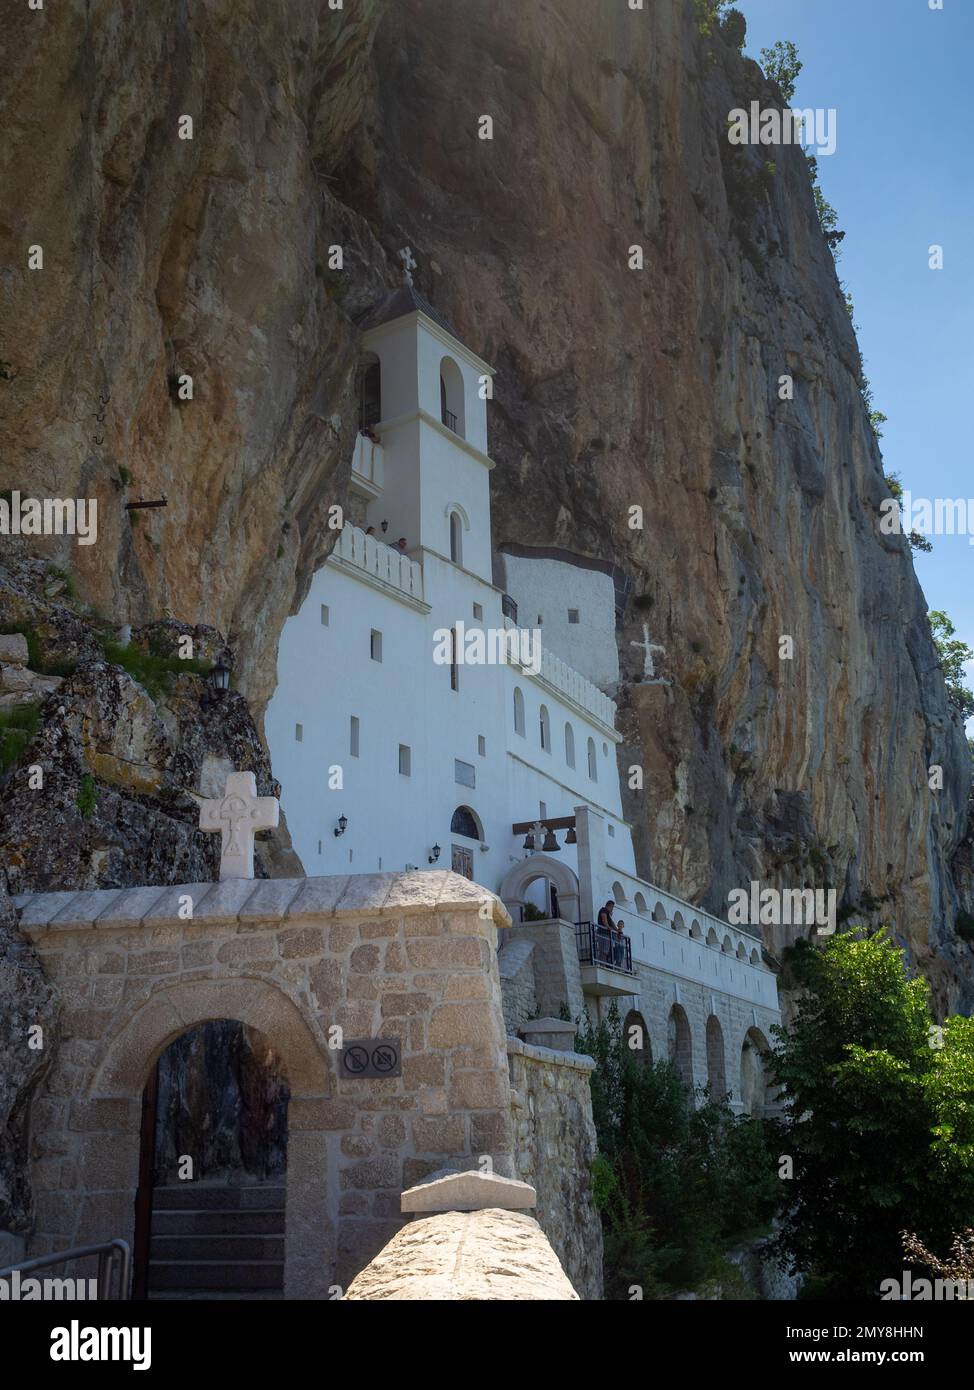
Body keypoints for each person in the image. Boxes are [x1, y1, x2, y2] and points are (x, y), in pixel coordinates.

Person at [596, 899, 615, 965]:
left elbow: (612, 923)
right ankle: (601, 964)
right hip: (603, 933)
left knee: (605, 951)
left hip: (605, 934)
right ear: (610, 906)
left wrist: (617, 930)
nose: (612, 909)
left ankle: (602, 964)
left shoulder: (607, 913)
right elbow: (604, 920)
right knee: (603, 950)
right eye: (612, 907)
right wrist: (609, 927)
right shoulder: (604, 910)